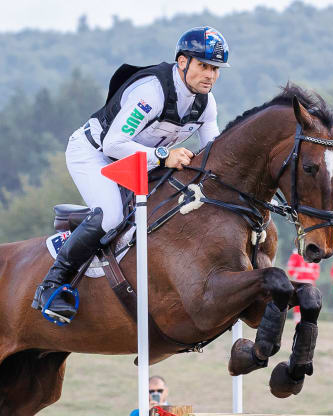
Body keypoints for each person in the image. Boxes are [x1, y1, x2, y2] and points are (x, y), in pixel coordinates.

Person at [32, 26, 228, 323]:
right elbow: (114, 144)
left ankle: (85, 222)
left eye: (215, 69)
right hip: (94, 152)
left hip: (139, 161)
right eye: (203, 66)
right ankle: (51, 285)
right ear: (182, 62)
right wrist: (164, 156)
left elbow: (214, 155)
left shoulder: (206, 104)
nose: (210, 75)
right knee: (111, 216)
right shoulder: (152, 91)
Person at [285, 249, 320, 323]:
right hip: (299, 283)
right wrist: (297, 276)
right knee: (298, 301)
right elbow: (290, 268)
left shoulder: (314, 254)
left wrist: (313, 277)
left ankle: (308, 319)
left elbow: (316, 269)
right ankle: (298, 320)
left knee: (310, 301)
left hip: (310, 283)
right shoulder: (295, 255)